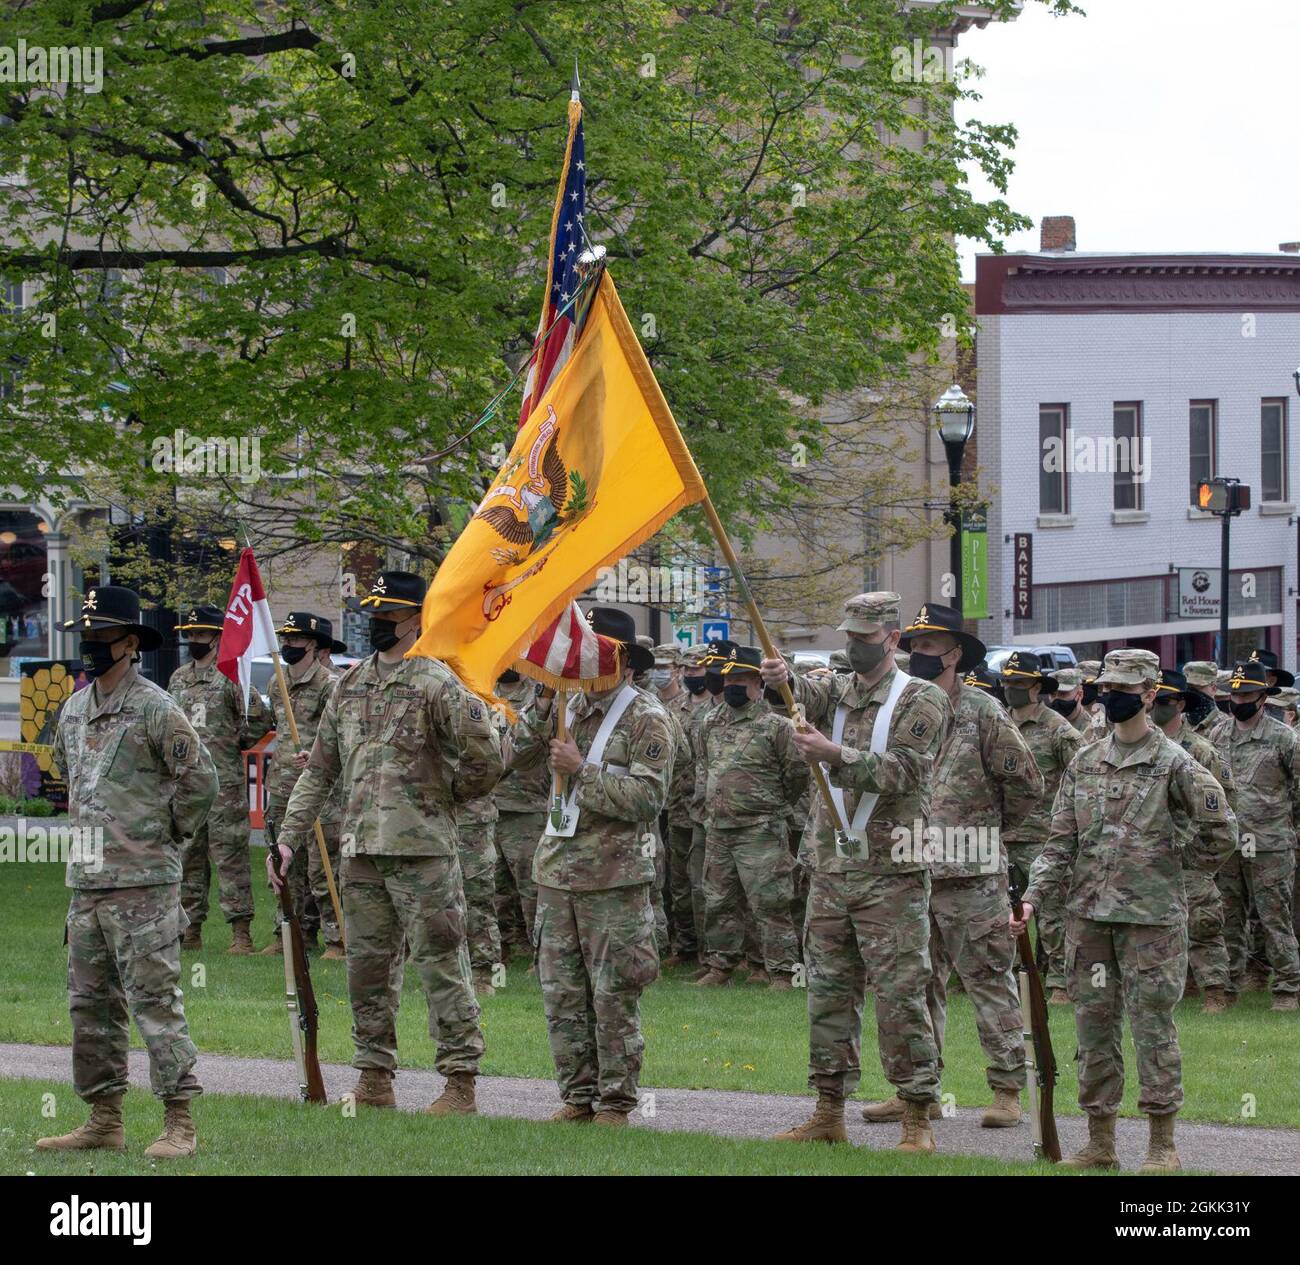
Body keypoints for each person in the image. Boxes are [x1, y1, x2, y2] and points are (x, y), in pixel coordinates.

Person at [270, 572, 503, 1113]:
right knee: (367, 970)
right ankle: (375, 1077)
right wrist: (287, 840)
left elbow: (487, 757)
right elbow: (319, 771)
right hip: (363, 853)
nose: (376, 623)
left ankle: (459, 1081)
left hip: (423, 854)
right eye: (372, 614)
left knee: (441, 964)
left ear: (414, 620)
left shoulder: (438, 683)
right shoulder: (349, 687)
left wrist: (443, 798)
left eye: (387, 616)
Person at [1015, 648, 1236, 1172]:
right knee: (1093, 1030)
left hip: (1152, 923)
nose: (1111, 696)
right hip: (1088, 919)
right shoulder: (1085, 761)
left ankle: (1162, 1146)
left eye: (1124, 689)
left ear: (1150, 694)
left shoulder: (1176, 763)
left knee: (1153, 1030)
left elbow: (1222, 832)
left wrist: (1172, 870)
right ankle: (1100, 1144)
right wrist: (1031, 896)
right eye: (1106, 687)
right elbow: (1058, 842)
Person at [763, 593, 950, 1153]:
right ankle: (828, 1109)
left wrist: (834, 754)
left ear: (892, 639)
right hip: (831, 869)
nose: (854, 646)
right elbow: (798, 695)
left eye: (866, 639)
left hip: (890, 874)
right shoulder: (836, 688)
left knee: (900, 996)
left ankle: (917, 1113)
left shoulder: (922, 699)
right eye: (849, 636)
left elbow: (907, 772)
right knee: (828, 993)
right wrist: (779, 676)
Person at [38, 587, 216, 1159]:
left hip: (144, 885)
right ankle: (103, 1118)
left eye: (102, 637)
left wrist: (164, 837)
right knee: (90, 1006)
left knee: (155, 1002)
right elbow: (72, 777)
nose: (91, 648)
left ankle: (179, 1122)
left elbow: (199, 783)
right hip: (86, 884)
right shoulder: (73, 708)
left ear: (130, 644)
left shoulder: (156, 707)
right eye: (85, 638)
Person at [508, 608, 674, 1125]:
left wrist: (584, 770)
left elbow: (648, 799)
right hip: (557, 873)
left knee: (613, 993)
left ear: (623, 662)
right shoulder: (565, 705)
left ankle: (618, 1102)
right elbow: (514, 758)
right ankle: (576, 1097)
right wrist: (540, 701)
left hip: (614, 879)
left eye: (597, 656)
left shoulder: (648, 717)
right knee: (562, 994)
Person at [891, 604, 1042, 1128]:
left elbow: (1025, 783)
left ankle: (1006, 1089)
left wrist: (988, 831)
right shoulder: (903, 706)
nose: (919, 654)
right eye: (914, 645)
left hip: (973, 874)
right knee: (913, 984)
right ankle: (919, 1091)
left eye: (930, 646)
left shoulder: (982, 711)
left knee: (986, 980)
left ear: (955, 654)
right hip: (912, 868)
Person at [695, 646, 808, 989]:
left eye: (742, 679)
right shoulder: (710, 722)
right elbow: (705, 764)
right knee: (718, 900)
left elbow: (796, 774)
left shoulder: (776, 725)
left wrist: (767, 803)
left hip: (761, 828)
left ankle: (782, 971)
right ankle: (720, 966)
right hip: (718, 827)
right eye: (729, 678)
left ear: (758, 683)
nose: (733, 685)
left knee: (771, 902)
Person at [169, 603, 273, 953]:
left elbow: (258, 719)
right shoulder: (178, 679)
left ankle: (240, 934)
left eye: (201, 634)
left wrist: (231, 743)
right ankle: (189, 930)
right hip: (186, 786)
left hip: (224, 786)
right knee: (187, 859)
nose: (194, 640)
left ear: (216, 638)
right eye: (191, 634)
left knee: (230, 859)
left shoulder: (231, 675)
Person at [1216, 659, 1300, 1009]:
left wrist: (1288, 829)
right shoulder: (1218, 735)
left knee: (1273, 916)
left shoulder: (1284, 738)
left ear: (1263, 697)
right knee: (1228, 916)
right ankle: (1230, 984)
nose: (1239, 701)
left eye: (1247, 694)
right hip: (1228, 843)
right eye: (1235, 695)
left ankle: (1287, 986)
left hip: (1270, 844)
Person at [998, 650, 1082, 1002]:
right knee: (1006, 914)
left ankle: (1060, 984)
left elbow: (1081, 774)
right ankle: (1015, 980)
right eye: (1008, 683)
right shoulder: (999, 722)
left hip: (1043, 838)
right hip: (1004, 836)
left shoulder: (1057, 729)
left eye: (1019, 683)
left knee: (1051, 915)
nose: (1012, 689)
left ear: (1036, 688)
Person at [1150, 668, 1234, 1014]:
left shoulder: (1201, 750)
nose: (1154, 706)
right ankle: (1173, 988)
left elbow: (1226, 807)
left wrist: (1203, 860)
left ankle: (1214, 991)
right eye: (1151, 700)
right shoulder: (1145, 748)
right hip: (1153, 854)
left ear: (1180, 704)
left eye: (1162, 700)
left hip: (1192, 854)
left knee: (1203, 923)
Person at [262, 611, 345, 959]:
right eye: (285, 640)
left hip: (320, 790)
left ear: (313, 645)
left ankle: (338, 940)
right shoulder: (276, 683)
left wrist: (315, 752)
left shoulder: (330, 685)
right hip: (282, 787)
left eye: (295, 640)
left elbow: (342, 735)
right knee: (283, 867)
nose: (288, 645)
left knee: (322, 867)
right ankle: (292, 936)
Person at [494, 669, 551, 966]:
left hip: (526, 804)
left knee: (530, 887)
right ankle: (498, 949)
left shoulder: (537, 695)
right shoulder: (484, 690)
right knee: (495, 886)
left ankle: (538, 953)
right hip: (489, 803)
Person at [1049, 668, 1091, 734]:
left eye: (1062, 694)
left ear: (1080, 694)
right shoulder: (1044, 725)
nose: (1056, 699)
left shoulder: (1093, 729)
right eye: (1052, 694)